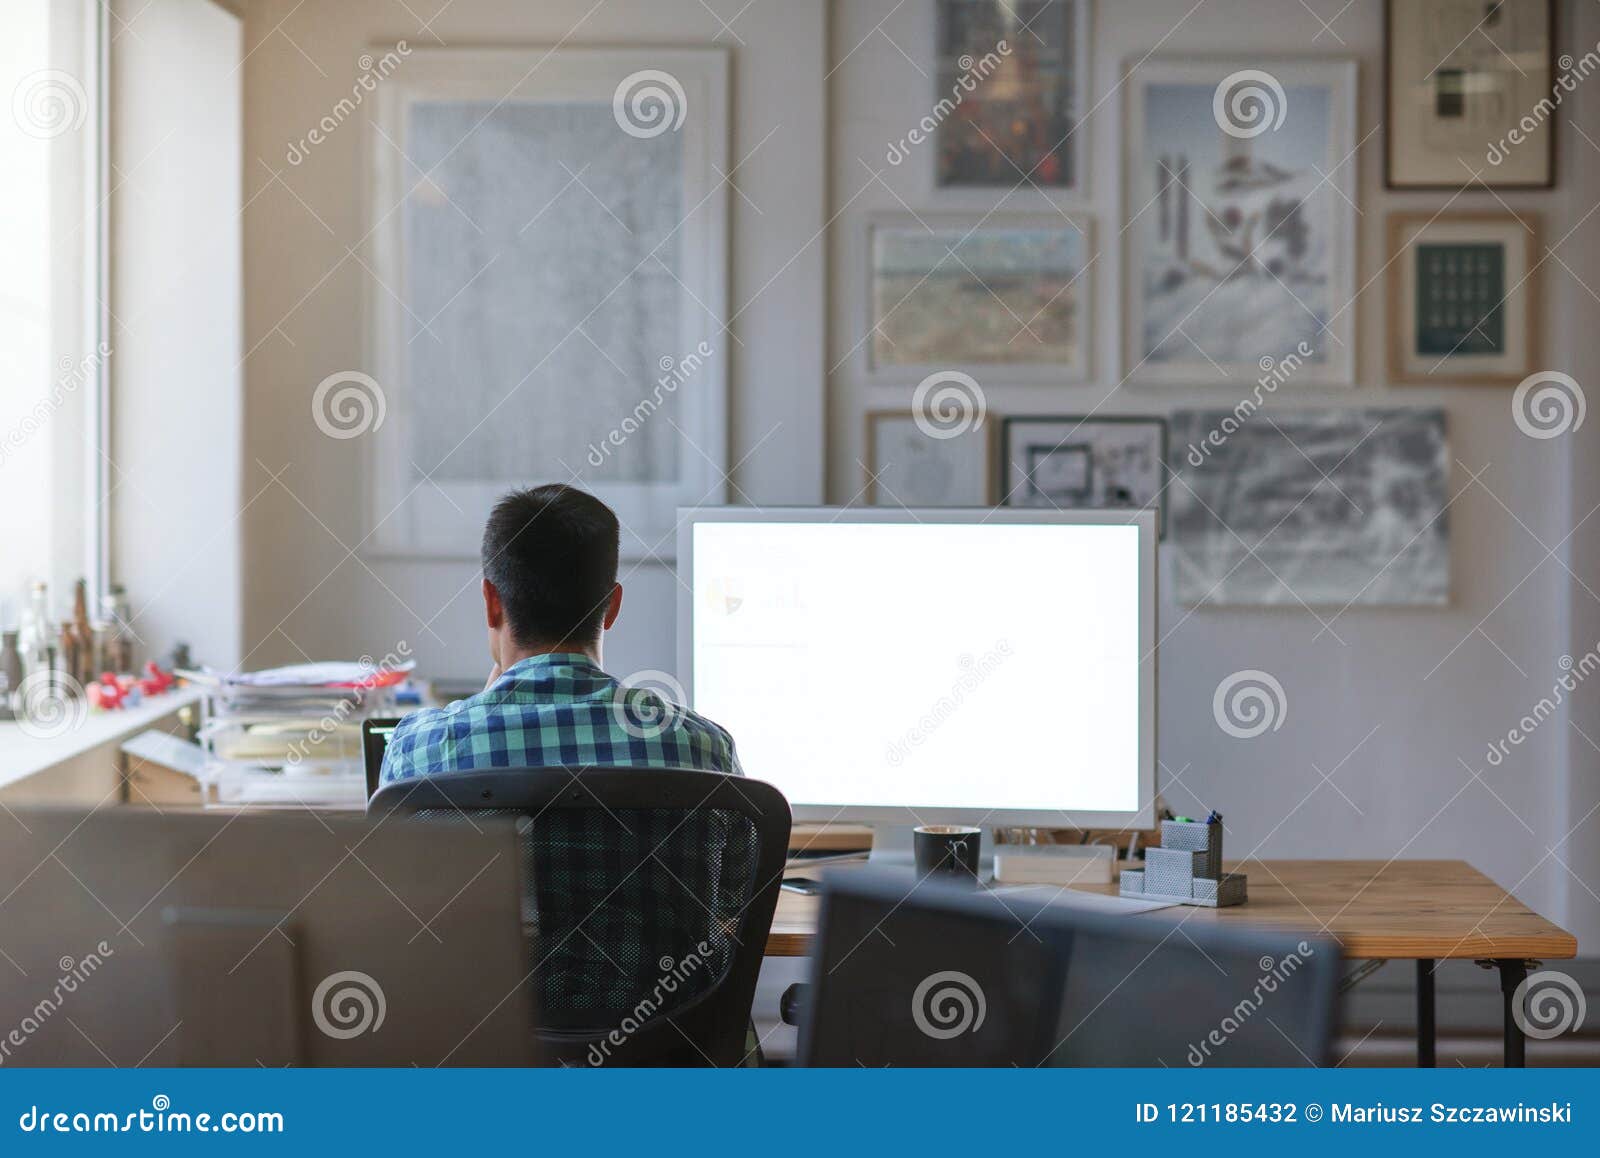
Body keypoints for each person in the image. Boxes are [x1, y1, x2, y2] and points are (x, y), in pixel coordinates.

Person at [380, 483, 742, 783]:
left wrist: (481, 708)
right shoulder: (703, 750)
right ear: (612, 606)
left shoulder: (417, 751)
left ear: (492, 602)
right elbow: (747, 871)